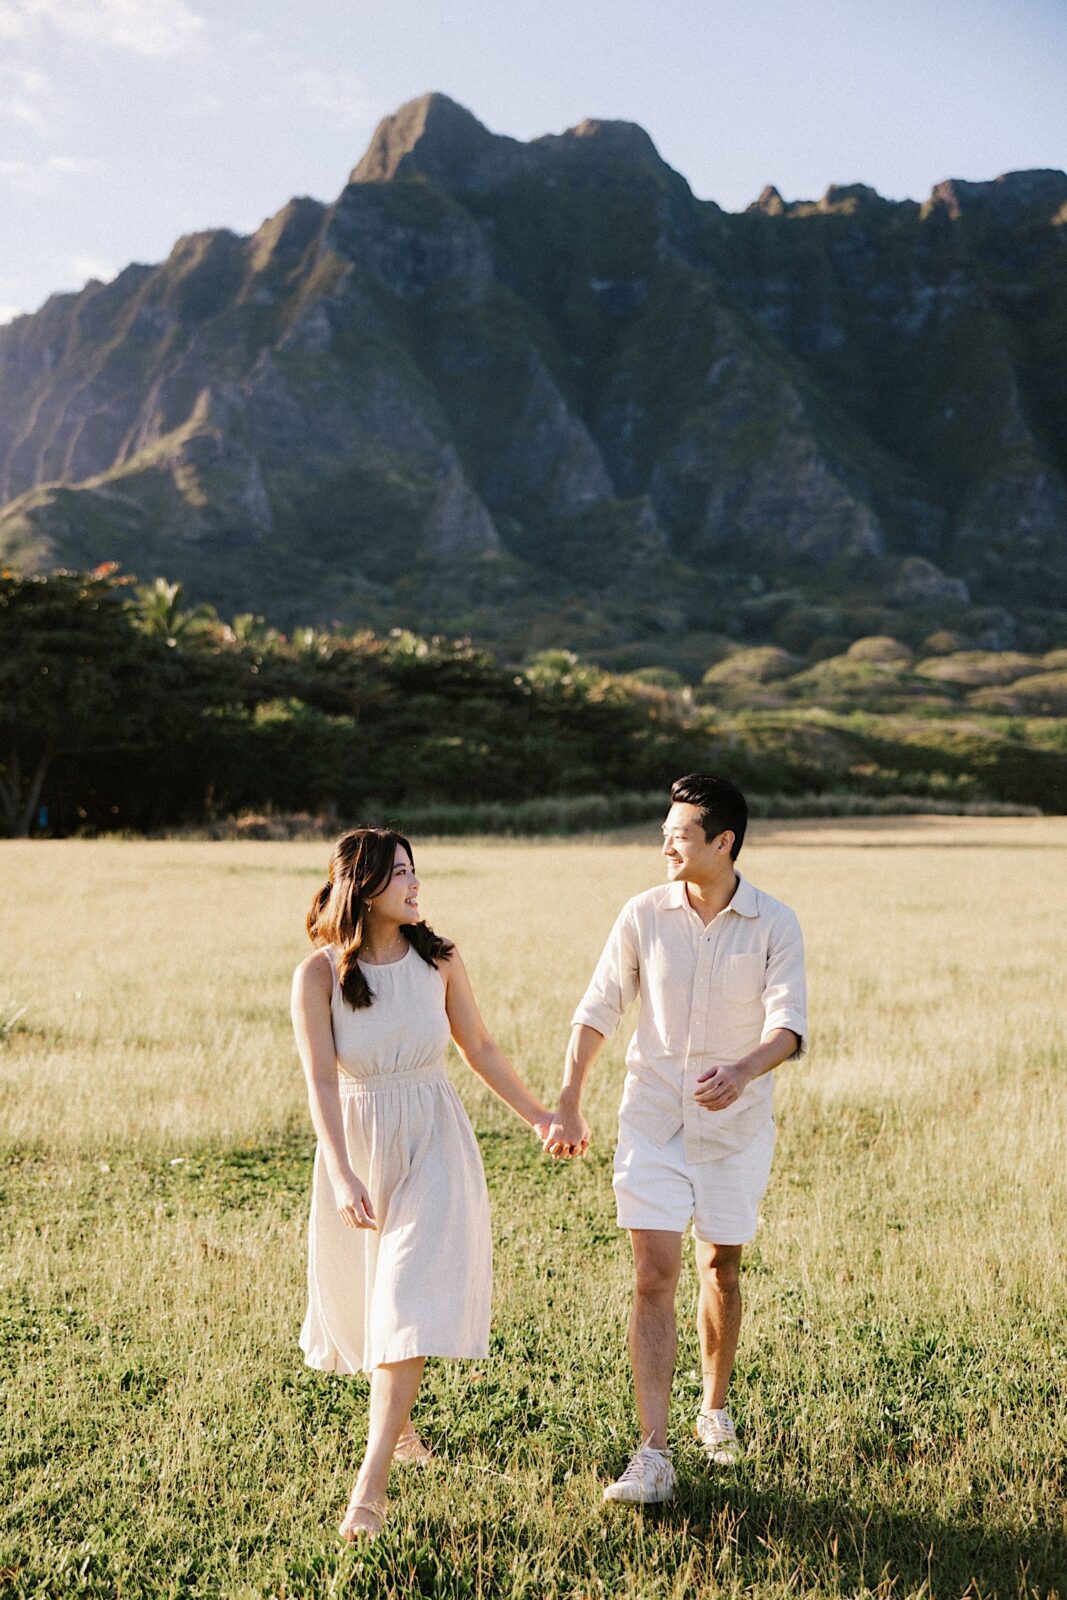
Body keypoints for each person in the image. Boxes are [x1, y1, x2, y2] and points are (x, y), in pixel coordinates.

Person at [543, 774, 807, 1503]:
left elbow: (788, 1024)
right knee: (652, 1275)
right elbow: (598, 1007)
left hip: (734, 1131)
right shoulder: (641, 915)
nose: (666, 842)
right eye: (665, 830)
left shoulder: (773, 923)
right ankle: (652, 1455)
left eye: (680, 833)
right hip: (652, 1122)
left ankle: (713, 1409)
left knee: (721, 1266)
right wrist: (567, 1099)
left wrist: (745, 1070)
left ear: (722, 842)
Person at [291, 827, 553, 1540]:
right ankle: (400, 1431)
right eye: (400, 873)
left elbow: (480, 1047)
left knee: (405, 1300)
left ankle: (367, 1493)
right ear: (365, 884)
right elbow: (318, 1078)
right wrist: (342, 1170)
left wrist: (539, 1117)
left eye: (414, 871)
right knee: (374, 1309)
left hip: (434, 1137)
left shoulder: (439, 958)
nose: (414, 884)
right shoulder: (318, 975)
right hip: (361, 1141)